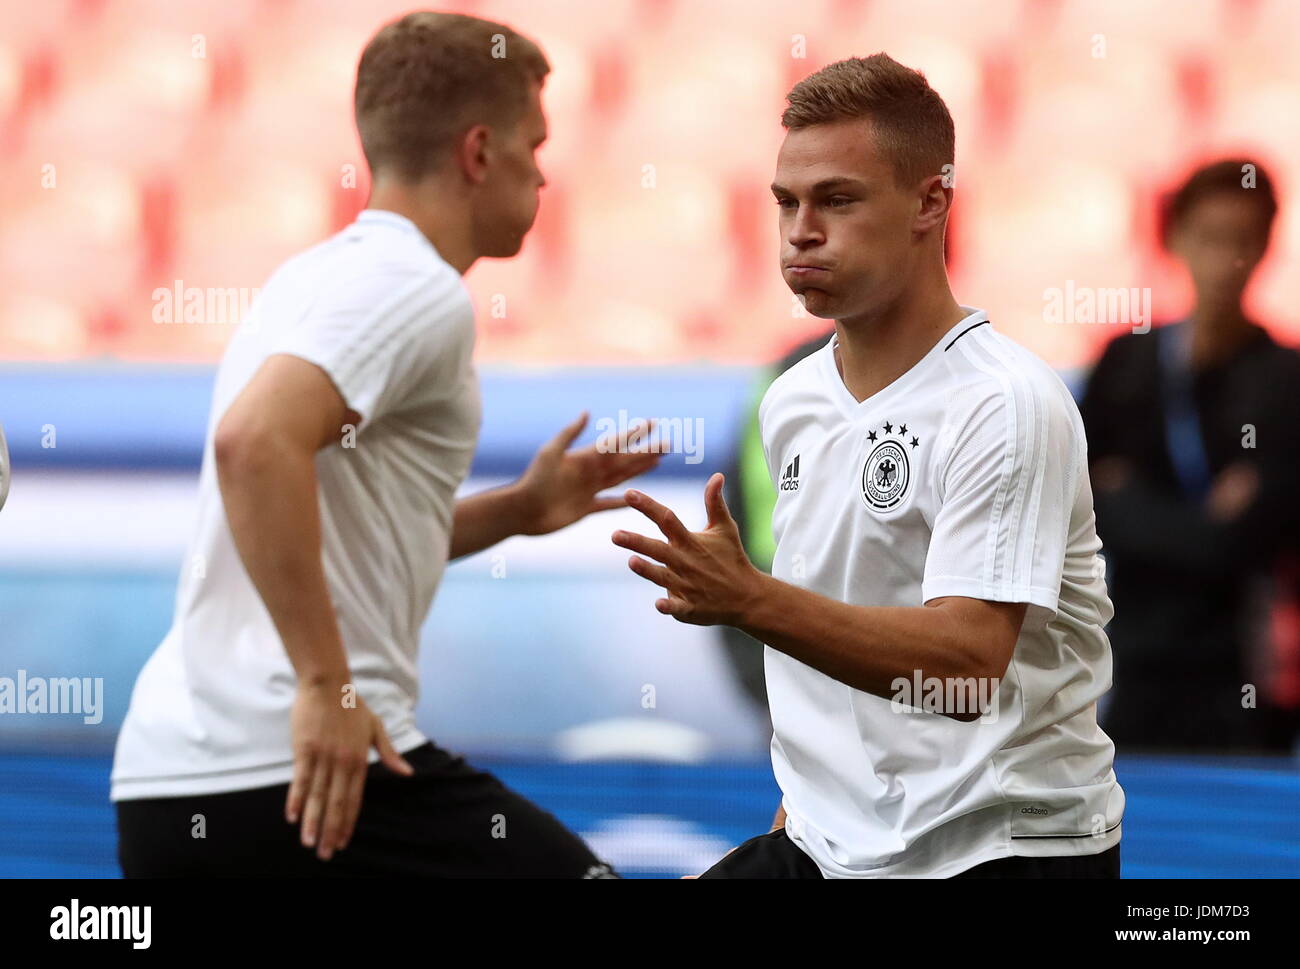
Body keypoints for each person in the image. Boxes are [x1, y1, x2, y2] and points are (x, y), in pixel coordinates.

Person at [111, 12, 656, 878]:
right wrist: (327, 684)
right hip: (299, 772)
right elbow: (252, 444)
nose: (544, 171)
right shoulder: (417, 289)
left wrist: (516, 510)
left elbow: (322, 520)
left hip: (174, 782)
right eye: (534, 142)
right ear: (479, 152)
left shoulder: (311, 278)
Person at [613, 54, 1123, 878]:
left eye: (837, 199)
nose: (800, 229)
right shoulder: (792, 399)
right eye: (787, 202)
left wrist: (751, 599)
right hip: (826, 845)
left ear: (930, 202)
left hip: (995, 851)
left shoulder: (1005, 402)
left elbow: (966, 666)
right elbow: (832, 620)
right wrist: (805, 802)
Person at [1081, 158, 1300, 753]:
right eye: (1209, 237)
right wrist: (1208, 520)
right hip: (1129, 663)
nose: (1225, 261)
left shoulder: (1286, 379)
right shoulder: (1124, 363)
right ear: (1175, 238)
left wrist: (1131, 501)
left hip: (1241, 674)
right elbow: (1086, 515)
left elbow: (1249, 539)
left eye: (1243, 240)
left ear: (1265, 249)